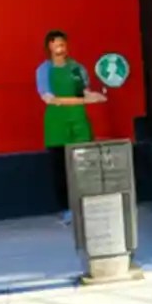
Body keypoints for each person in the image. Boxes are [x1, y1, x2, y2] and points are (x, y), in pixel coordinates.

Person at [36, 30, 105, 224]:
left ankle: (86, 206)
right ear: (49, 46)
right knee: (60, 170)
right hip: (56, 126)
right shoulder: (43, 70)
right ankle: (67, 210)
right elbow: (49, 99)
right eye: (56, 43)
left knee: (84, 168)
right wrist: (82, 100)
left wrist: (95, 97)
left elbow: (84, 92)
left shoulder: (77, 69)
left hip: (79, 124)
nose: (60, 46)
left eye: (63, 43)